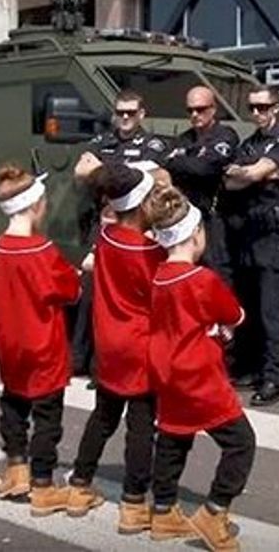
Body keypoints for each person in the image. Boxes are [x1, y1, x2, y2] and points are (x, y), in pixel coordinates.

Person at [145, 185, 256, 550]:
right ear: (196, 233)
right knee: (240, 443)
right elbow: (234, 314)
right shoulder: (202, 279)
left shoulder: (159, 275)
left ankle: (162, 510)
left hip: (166, 371)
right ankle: (214, 511)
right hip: (200, 375)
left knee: (174, 439)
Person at [67, 163, 166, 534]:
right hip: (140, 346)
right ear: (142, 205)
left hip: (107, 346)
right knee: (141, 427)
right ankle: (134, 502)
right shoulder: (151, 252)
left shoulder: (105, 240)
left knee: (103, 417)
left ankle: (79, 484)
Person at [0, 164, 82, 515]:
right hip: (43, 345)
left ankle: (16, 467)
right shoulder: (41, 249)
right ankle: (43, 485)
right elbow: (67, 289)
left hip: (9, 345)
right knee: (47, 418)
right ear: (35, 206)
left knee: (13, 406)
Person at [71, 90, 170, 378]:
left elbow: (160, 175)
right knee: (91, 292)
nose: (124, 118)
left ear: (142, 114)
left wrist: (105, 170)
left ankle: (114, 361)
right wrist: (128, 171)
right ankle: (80, 357)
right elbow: (80, 171)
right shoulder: (102, 141)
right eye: (120, 113)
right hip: (103, 226)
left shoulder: (153, 143)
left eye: (130, 113)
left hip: (138, 226)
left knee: (129, 298)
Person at [220, 86, 279, 406]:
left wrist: (254, 173)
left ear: (276, 107)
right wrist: (254, 173)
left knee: (272, 312)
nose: (258, 112)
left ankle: (274, 377)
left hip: (273, 234)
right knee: (249, 307)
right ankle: (254, 368)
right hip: (248, 232)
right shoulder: (250, 142)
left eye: (264, 106)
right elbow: (230, 179)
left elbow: (254, 172)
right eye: (253, 107)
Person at [163, 85, 240, 281]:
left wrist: (182, 162)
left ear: (213, 109)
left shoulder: (225, 135)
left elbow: (205, 169)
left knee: (216, 268)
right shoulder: (183, 138)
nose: (195, 114)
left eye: (201, 109)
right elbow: (167, 163)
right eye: (190, 110)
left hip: (214, 215)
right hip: (187, 215)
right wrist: (191, 162)